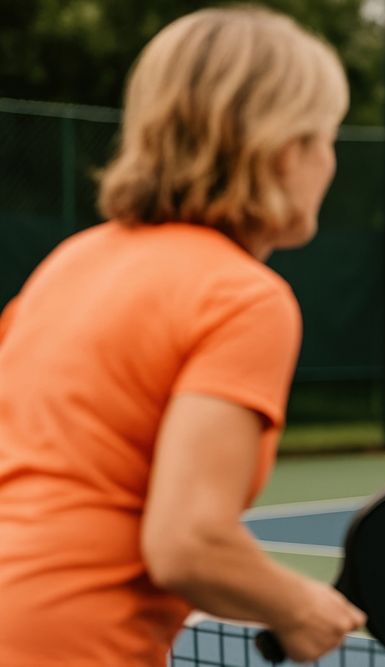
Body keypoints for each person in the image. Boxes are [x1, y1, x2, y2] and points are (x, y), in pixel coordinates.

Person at [0, 6, 365, 665]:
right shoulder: (244, 296)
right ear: (286, 151)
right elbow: (187, 543)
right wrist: (298, 605)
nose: (328, 162)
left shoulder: (67, 264)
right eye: (323, 136)